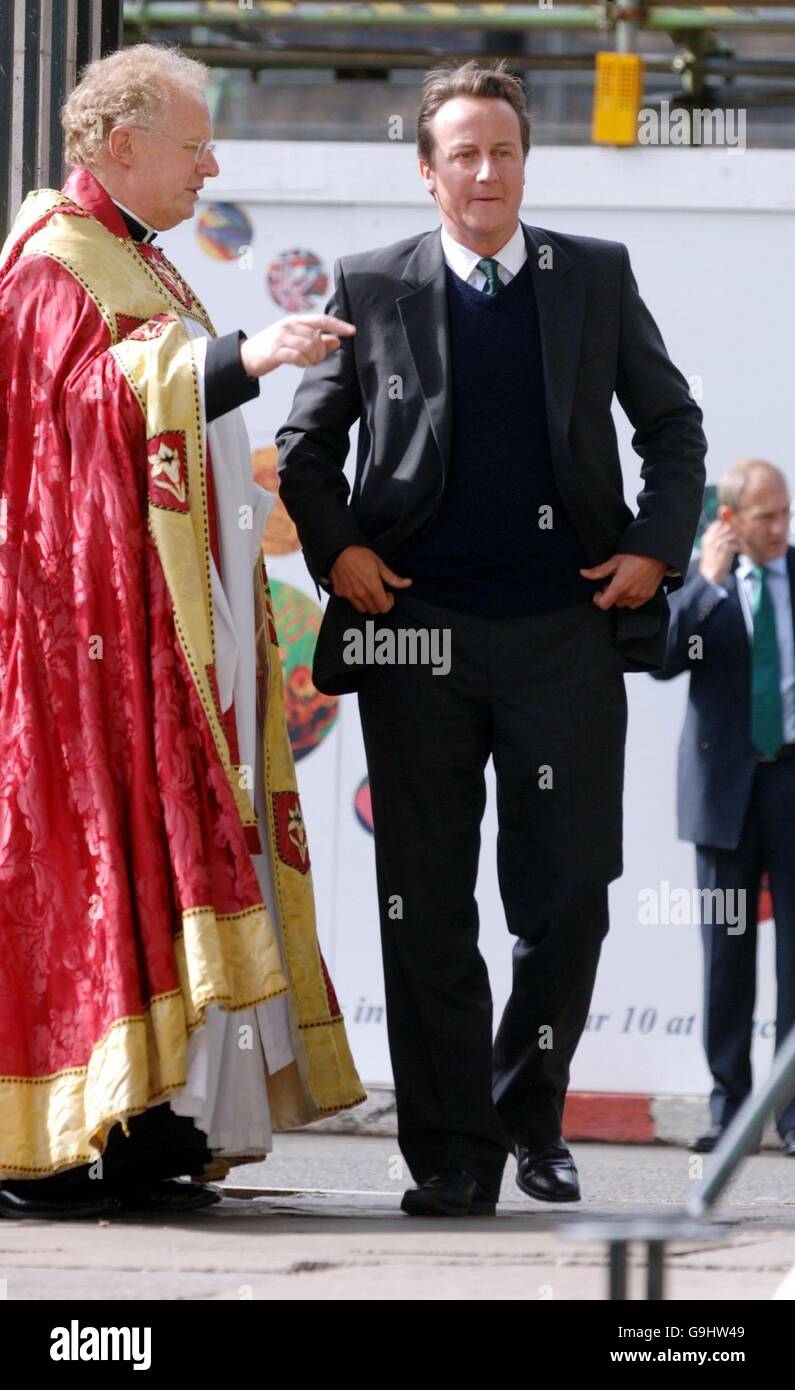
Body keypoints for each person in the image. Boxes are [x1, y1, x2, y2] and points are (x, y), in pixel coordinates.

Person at [277, 60, 706, 1216]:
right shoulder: (373, 284)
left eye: (503, 151)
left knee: (569, 893)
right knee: (425, 898)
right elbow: (310, 453)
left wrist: (657, 547)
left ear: (526, 161)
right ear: (427, 172)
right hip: (414, 634)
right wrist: (340, 553)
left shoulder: (594, 277)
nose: (484, 171)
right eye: (461, 153)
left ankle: (532, 1110)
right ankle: (455, 1151)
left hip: (566, 632)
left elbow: (671, 424)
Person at [0, 43, 364, 1220]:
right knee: (89, 863)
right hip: (73, 642)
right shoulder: (53, 260)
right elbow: (86, 408)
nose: (213, 165)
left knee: (159, 862)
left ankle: (150, 1115)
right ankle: (45, 1138)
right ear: (118, 144)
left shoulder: (141, 263)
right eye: (196, 144)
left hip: (155, 630)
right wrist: (249, 354)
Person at [654, 459, 795, 1155]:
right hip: (723, 794)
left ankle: (791, 1113)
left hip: (789, 783)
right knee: (725, 957)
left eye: (785, 514)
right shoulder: (699, 581)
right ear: (731, 520)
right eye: (765, 516)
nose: (778, 528)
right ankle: (728, 1111)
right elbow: (662, 657)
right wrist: (706, 582)